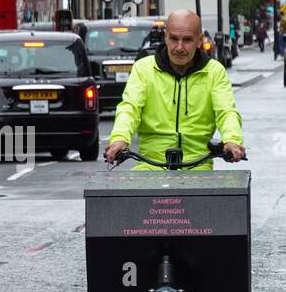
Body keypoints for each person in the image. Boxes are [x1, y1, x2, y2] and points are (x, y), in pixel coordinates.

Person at [104, 9, 245, 171]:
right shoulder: (143, 68)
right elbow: (130, 108)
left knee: (218, 194)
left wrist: (232, 140)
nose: (179, 47)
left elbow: (226, 111)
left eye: (187, 40)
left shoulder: (214, 71)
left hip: (198, 166)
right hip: (150, 164)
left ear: (200, 40)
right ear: (165, 37)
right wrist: (120, 139)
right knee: (130, 193)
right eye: (173, 39)